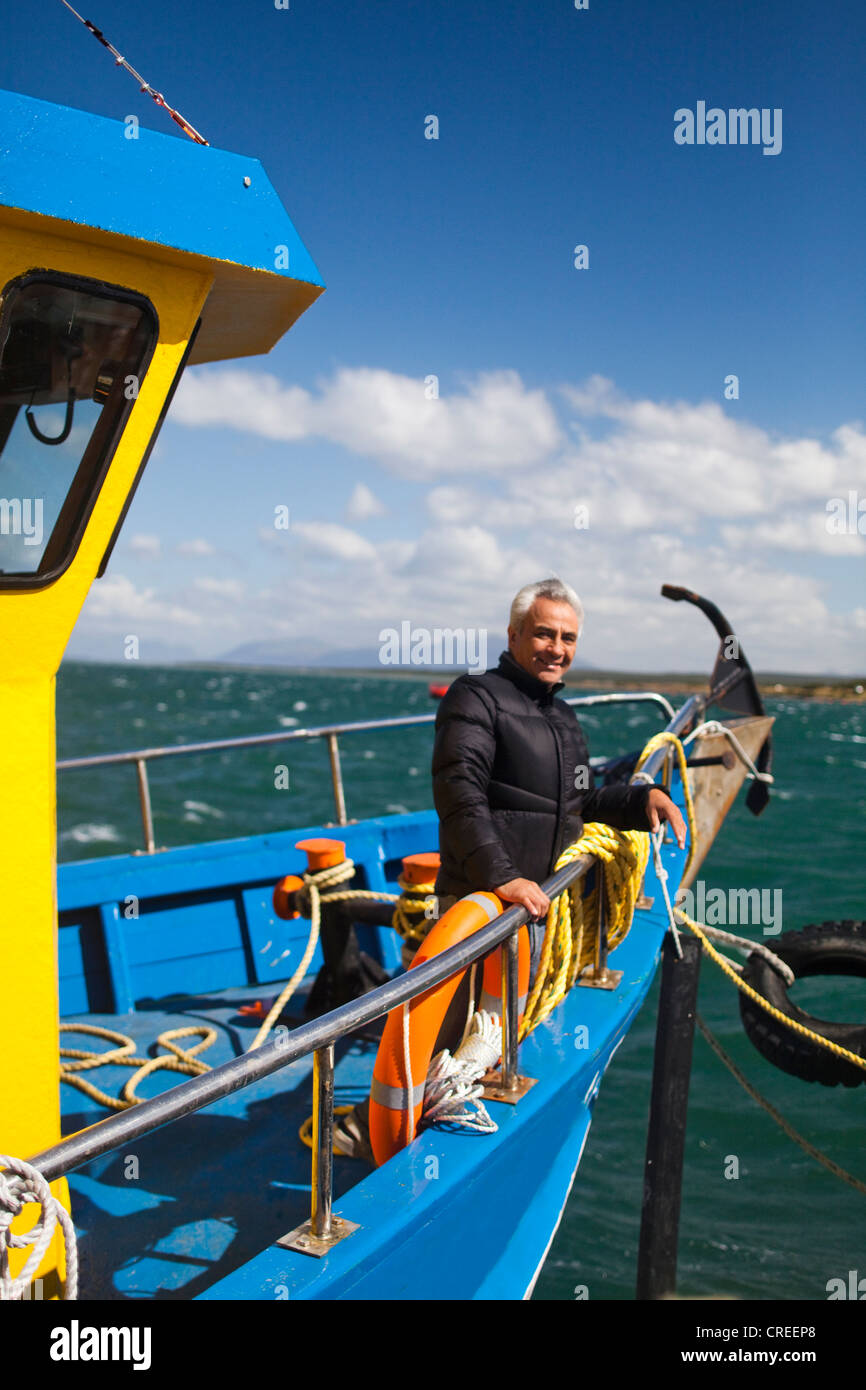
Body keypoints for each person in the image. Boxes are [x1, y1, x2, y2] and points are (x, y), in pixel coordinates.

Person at [431, 578, 686, 953]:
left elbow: (581, 800)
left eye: (568, 638)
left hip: (541, 908)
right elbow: (458, 793)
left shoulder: (563, 717)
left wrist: (643, 800)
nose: (556, 649)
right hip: (483, 910)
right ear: (513, 636)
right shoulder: (474, 696)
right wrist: (505, 878)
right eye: (544, 635)